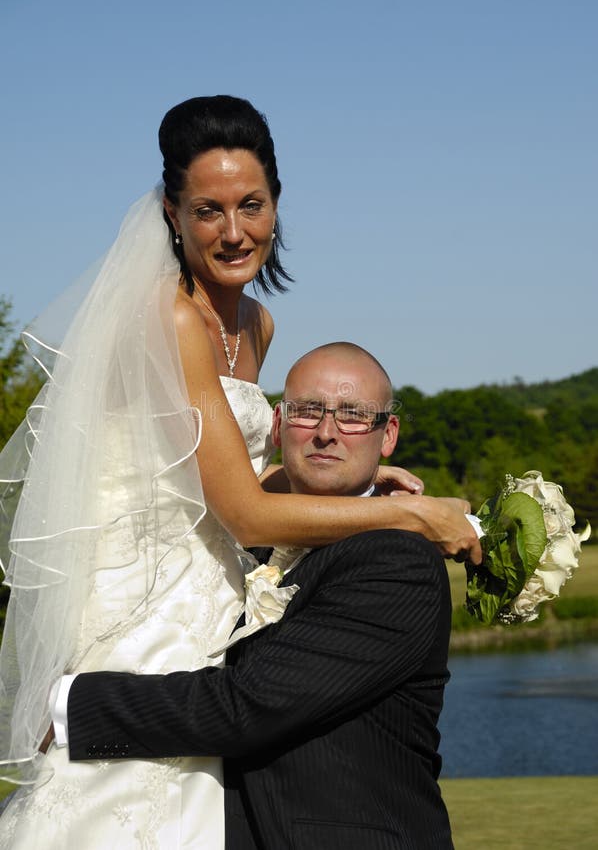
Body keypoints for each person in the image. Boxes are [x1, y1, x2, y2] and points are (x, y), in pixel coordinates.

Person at [0, 97, 477, 848]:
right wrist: (414, 514)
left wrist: (360, 482)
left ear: (276, 206)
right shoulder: (172, 317)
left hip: (216, 601)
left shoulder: (257, 325)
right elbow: (247, 515)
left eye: (251, 205)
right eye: (208, 209)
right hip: (146, 598)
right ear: (173, 213)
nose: (233, 232)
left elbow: (233, 475)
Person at [61, 342, 455, 849]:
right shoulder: (259, 534)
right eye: (307, 411)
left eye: (354, 416)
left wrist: (69, 703)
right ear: (277, 424)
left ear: (388, 435)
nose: (326, 432)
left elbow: (246, 707)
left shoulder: (395, 562)